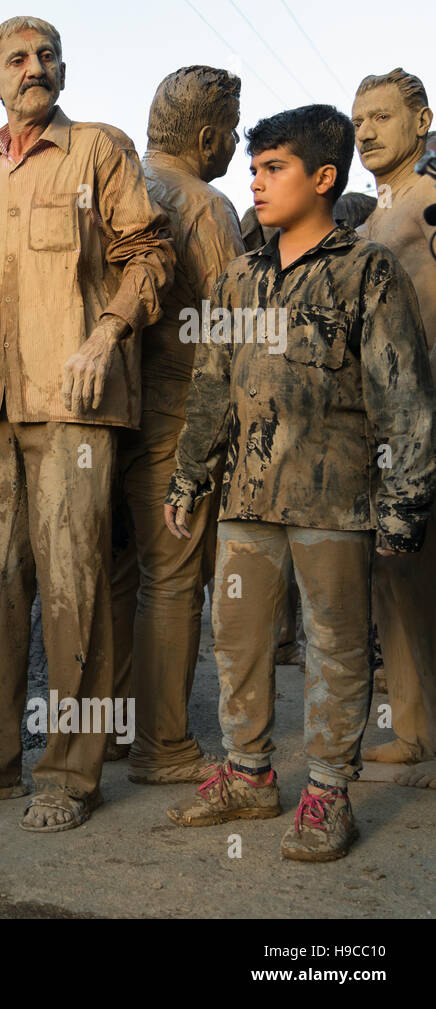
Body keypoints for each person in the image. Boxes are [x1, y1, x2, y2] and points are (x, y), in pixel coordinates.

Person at [0, 16, 174, 831]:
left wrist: (106, 332)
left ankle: (70, 774)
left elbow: (151, 253)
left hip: (75, 406)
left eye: (48, 54)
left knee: (76, 593)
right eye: (18, 59)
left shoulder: (99, 149)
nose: (37, 67)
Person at [165, 105, 436, 860]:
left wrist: (404, 502)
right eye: (252, 169)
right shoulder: (237, 281)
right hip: (247, 496)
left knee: (337, 645)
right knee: (238, 640)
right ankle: (249, 773)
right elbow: (210, 389)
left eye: (273, 168)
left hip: (335, 495)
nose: (255, 182)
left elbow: (403, 395)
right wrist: (189, 479)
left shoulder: (366, 271)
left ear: (323, 177)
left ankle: (326, 790)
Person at [108, 66, 245, 784]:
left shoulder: (117, 185)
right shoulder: (205, 205)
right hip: (175, 417)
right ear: (207, 135)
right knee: (171, 576)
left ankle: (108, 733)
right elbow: (234, 328)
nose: (237, 145)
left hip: (106, 416)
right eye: (234, 131)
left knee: (115, 575)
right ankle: (163, 743)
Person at [352, 69, 436, 772]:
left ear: (423, 119)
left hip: (428, 416)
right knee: (396, 575)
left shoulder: (430, 202)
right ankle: (412, 728)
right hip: (385, 426)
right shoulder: (375, 214)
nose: (366, 132)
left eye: (381, 116)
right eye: (357, 122)